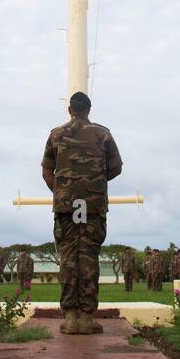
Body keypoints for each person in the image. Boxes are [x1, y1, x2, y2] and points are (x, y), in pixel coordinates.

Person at [41, 91, 122, 335]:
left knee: (68, 257)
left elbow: (47, 171)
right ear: (89, 109)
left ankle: (70, 318)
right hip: (92, 206)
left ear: (70, 110)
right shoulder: (102, 133)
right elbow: (116, 168)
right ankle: (87, 318)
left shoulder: (56, 134)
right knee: (88, 257)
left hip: (67, 207)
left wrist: (63, 190)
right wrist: (93, 183)